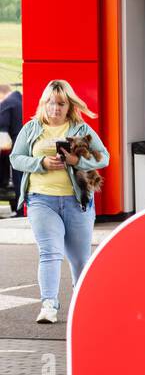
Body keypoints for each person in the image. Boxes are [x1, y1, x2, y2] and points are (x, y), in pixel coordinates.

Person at [8, 80, 110, 323]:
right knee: (50, 252)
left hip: (77, 202)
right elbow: (16, 158)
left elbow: (103, 157)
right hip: (42, 200)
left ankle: (81, 301)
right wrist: (40, 164)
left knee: (80, 258)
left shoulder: (80, 128)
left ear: (69, 106)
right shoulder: (32, 128)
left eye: (61, 104)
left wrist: (78, 162)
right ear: (44, 104)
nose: (55, 108)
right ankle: (49, 305)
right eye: (51, 103)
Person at [0, 83, 22, 215]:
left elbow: (2, 133)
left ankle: (20, 211)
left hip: (17, 145)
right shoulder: (20, 99)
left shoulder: (6, 103)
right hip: (29, 144)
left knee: (18, 179)